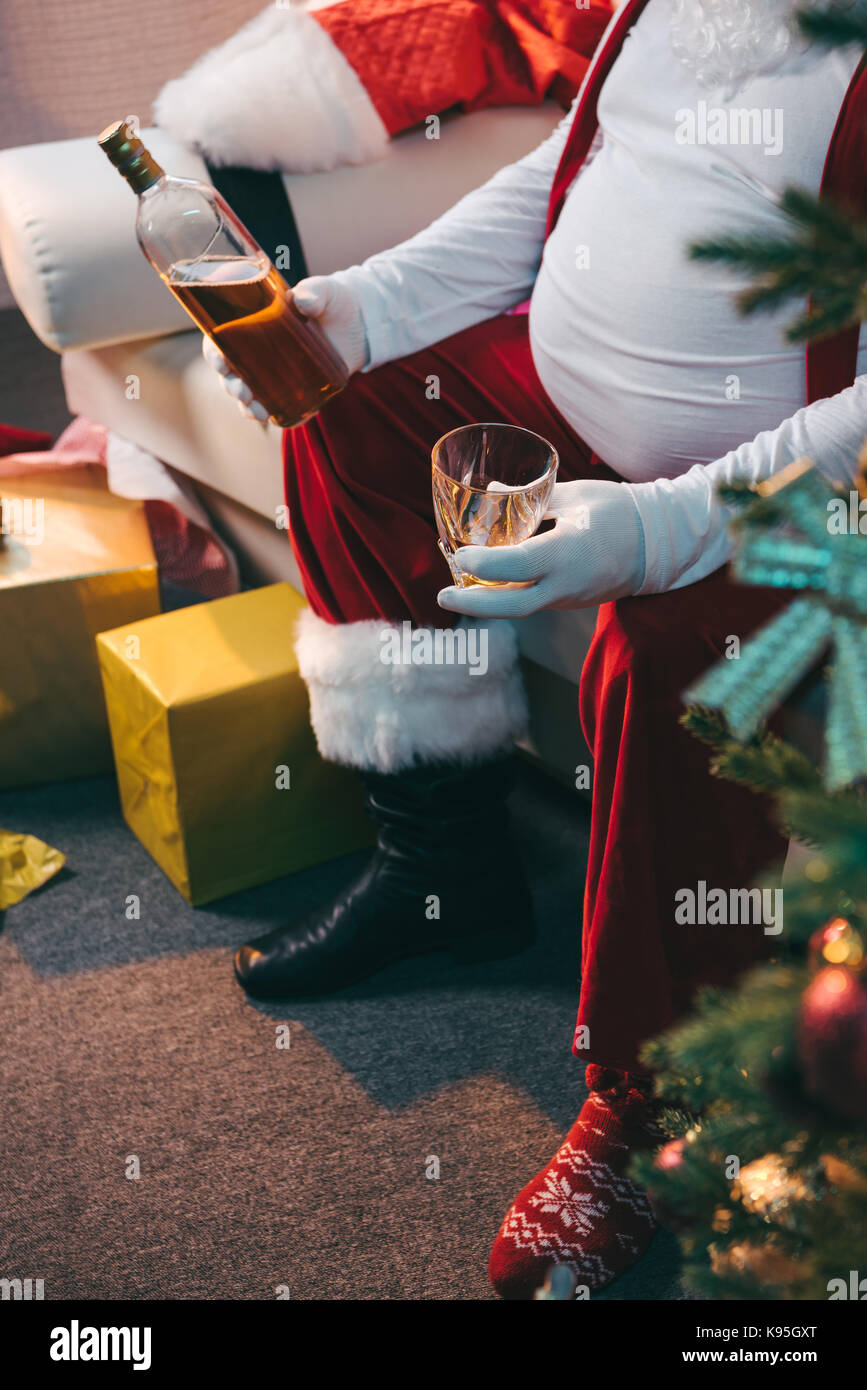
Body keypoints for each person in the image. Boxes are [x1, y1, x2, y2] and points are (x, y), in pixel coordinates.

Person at [204, 0, 867, 1297]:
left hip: (804, 493)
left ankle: (653, 1099)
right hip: (572, 397)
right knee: (345, 416)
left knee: (664, 646)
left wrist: (666, 529)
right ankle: (441, 861)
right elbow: (573, 168)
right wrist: (362, 312)